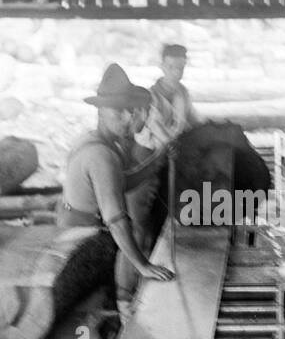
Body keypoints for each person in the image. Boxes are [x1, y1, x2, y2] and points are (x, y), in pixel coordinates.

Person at [58, 64, 174, 310]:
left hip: (74, 220)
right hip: (81, 236)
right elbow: (116, 221)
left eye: (131, 112)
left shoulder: (97, 140)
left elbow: (121, 182)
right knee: (129, 235)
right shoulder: (102, 155)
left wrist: (156, 161)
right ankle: (121, 308)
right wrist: (144, 265)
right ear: (100, 112)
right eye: (118, 113)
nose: (128, 118)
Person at [137, 42, 199, 154]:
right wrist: (170, 143)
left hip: (177, 146)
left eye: (180, 68)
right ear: (162, 66)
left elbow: (193, 119)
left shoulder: (183, 93)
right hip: (151, 147)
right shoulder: (150, 96)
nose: (176, 72)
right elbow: (154, 125)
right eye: (171, 67)